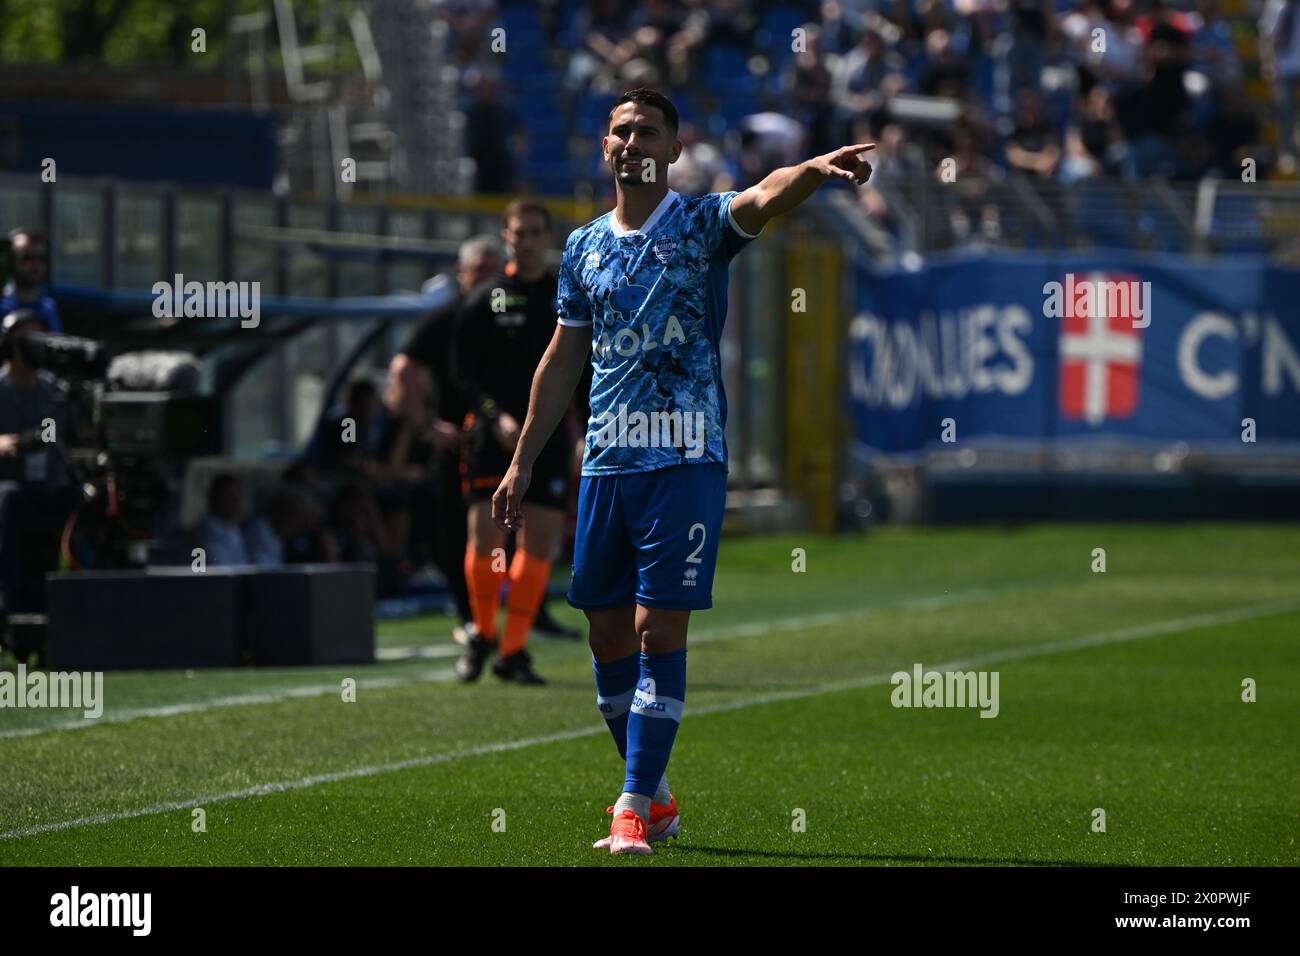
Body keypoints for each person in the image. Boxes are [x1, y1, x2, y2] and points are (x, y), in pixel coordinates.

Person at [491, 87, 873, 855]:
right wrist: (523, 459)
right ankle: (656, 793)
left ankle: (630, 805)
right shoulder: (583, 248)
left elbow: (763, 196)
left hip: (685, 455)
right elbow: (563, 358)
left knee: (656, 624)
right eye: (621, 130)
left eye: (649, 132)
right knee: (605, 636)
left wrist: (813, 169)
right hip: (605, 462)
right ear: (605, 148)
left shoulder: (700, 225)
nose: (633, 141)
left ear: (672, 149)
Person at [453, 201, 579, 685]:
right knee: (485, 539)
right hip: (490, 438)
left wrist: (586, 429)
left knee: (539, 541)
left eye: (534, 233)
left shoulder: (564, 296)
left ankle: (513, 649)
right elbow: (462, 376)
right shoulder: (485, 298)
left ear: (548, 238)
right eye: (517, 233)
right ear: (505, 237)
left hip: (548, 436)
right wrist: (494, 416)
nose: (524, 241)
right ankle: (482, 635)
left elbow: (583, 368)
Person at [396, 236, 503, 643]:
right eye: (480, 268)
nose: (488, 276)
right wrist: (426, 424)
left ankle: (517, 617)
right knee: (459, 531)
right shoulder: (448, 318)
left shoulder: (511, 312)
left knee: (517, 530)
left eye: (495, 267)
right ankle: (470, 615)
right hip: (462, 443)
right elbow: (402, 369)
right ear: (462, 273)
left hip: (508, 440)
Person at [0, 310, 73, 623]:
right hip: (9, 487)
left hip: (47, 485)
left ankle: (73, 603)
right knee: (9, 498)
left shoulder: (54, 392)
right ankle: (9, 603)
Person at [1, 230, 61, 335]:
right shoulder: (2, 306)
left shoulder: (48, 307)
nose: (35, 265)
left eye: (41, 258)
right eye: (27, 258)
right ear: (11, 262)